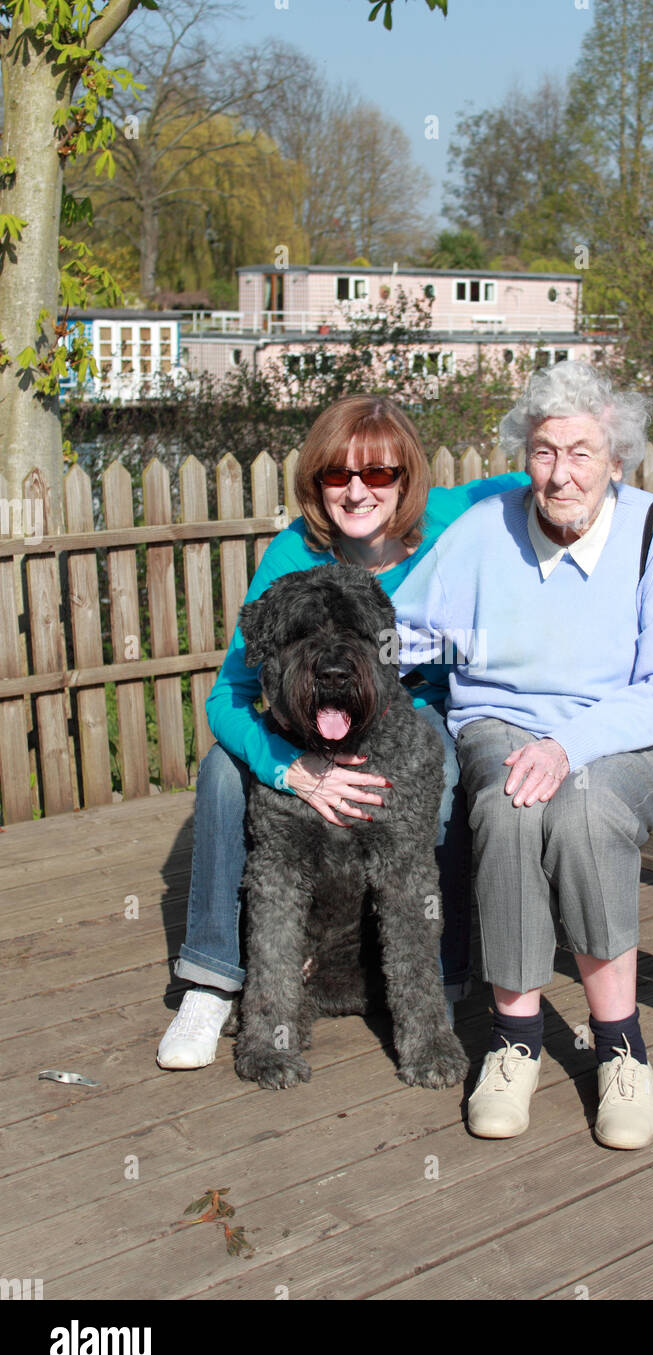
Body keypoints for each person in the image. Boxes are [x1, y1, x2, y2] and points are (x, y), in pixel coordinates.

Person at [157, 395, 529, 1069]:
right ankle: (212, 980)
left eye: (378, 474)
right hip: (306, 720)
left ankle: (434, 995)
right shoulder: (292, 555)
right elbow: (229, 694)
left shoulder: (448, 520)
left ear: (406, 479)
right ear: (316, 482)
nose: (357, 491)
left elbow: (533, 477)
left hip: (414, 710)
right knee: (220, 773)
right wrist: (287, 768)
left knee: (436, 776)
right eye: (337, 475)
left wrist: (594, 468)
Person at [394, 360, 653, 1148]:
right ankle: (514, 1039)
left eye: (581, 453)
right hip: (500, 721)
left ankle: (621, 1047)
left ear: (617, 461)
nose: (560, 475)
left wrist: (570, 745)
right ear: (523, 455)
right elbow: (402, 628)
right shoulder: (483, 529)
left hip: (623, 732)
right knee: (507, 803)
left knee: (585, 811)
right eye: (543, 452)